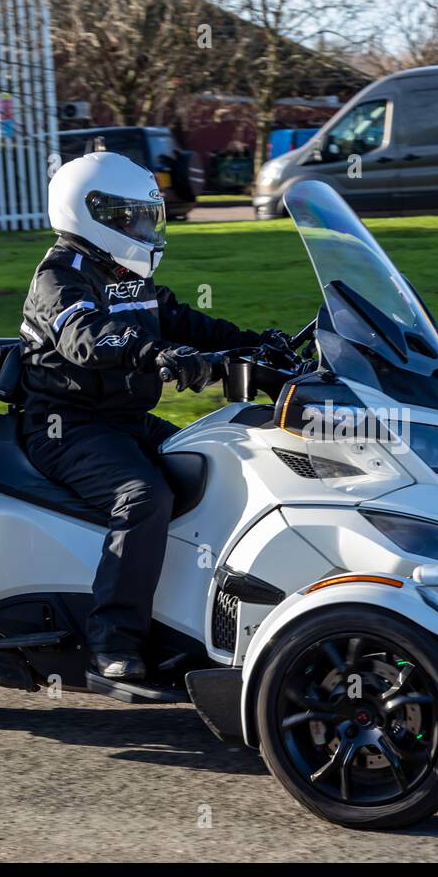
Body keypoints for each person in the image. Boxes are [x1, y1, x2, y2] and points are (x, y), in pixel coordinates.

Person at [18, 152, 283, 681]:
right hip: (66, 425)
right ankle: (111, 638)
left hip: (123, 419)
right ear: (94, 214)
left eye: (147, 215)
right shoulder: (60, 277)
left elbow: (183, 321)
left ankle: (199, 618)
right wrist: (153, 355)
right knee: (142, 497)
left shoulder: (126, 275)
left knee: (221, 467)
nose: (144, 227)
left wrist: (257, 345)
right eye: (132, 216)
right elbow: (86, 336)